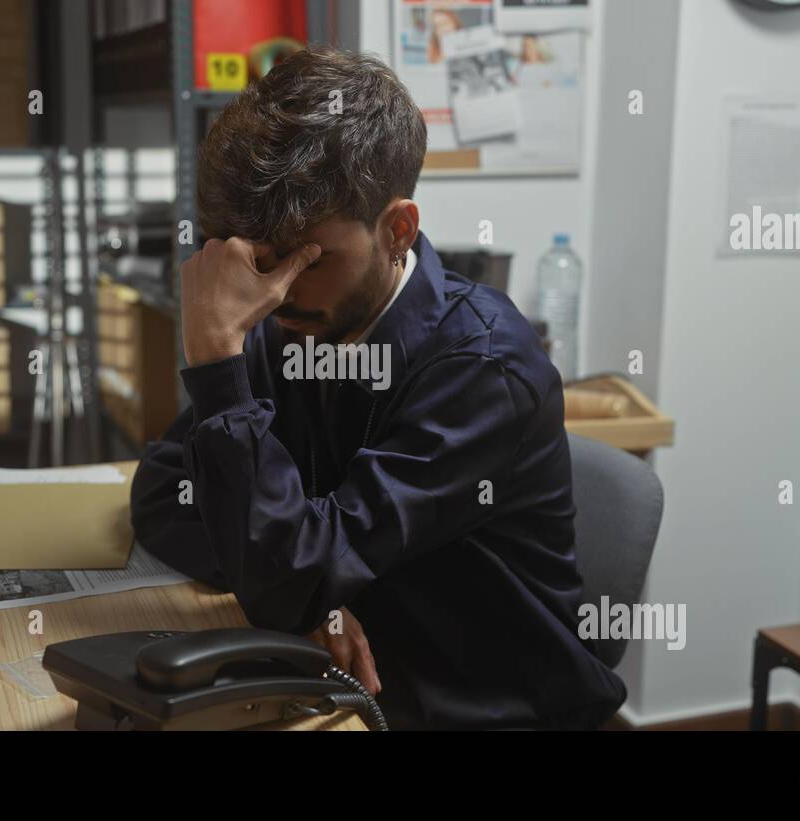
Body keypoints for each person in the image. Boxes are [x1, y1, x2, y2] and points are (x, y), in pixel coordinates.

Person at [131, 47, 627, 730]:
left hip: (481, 705)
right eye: (258, 261)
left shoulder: (483, 368)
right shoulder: (293, 320)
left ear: (397, 230)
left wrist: (218, 361)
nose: (273, 293)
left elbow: (289, 569)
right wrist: (302, 589)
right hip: (349, 678)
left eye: (309, 258)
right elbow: (162, 492)